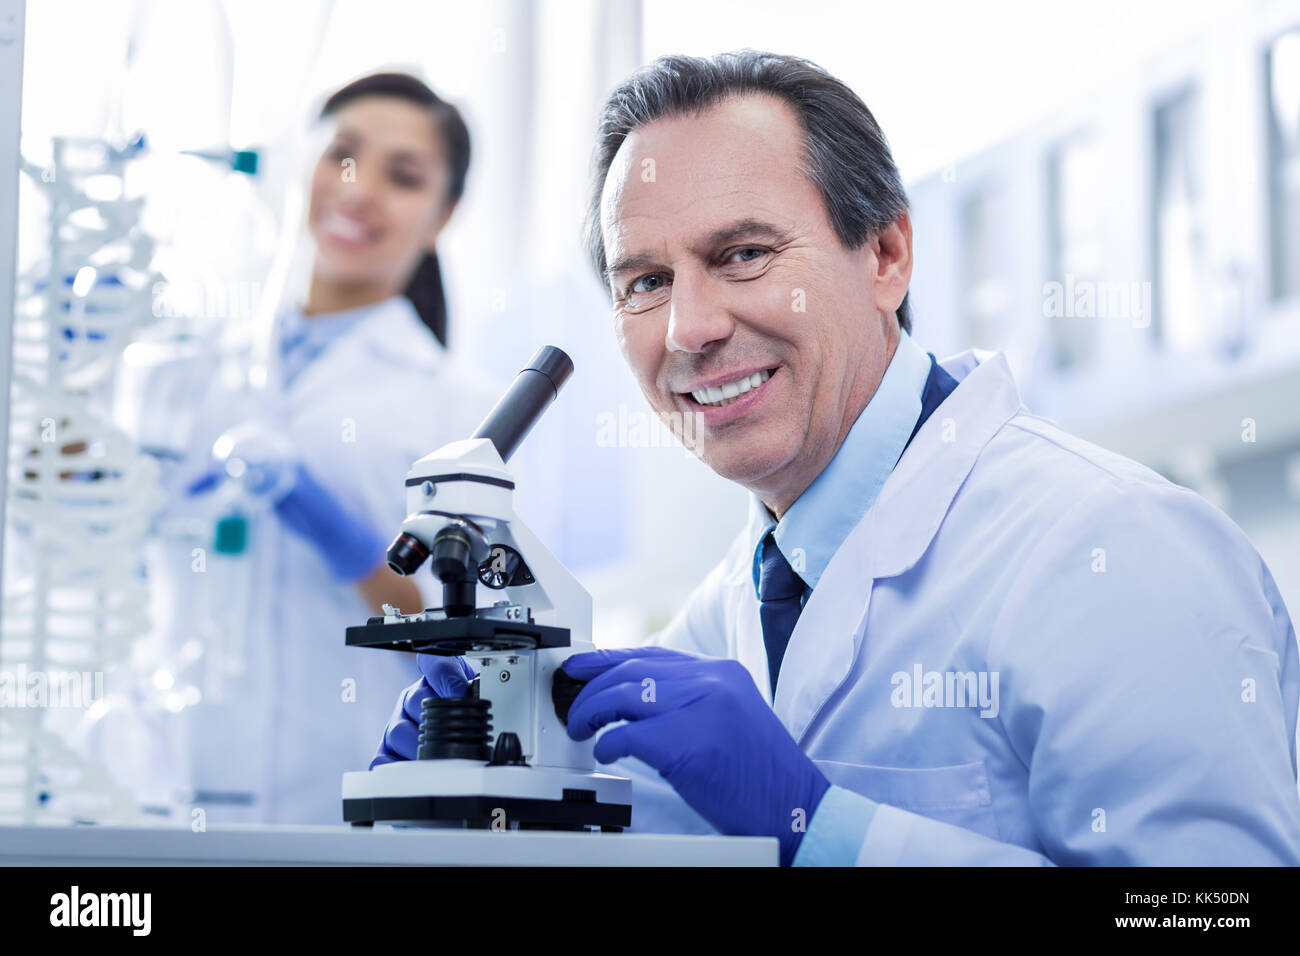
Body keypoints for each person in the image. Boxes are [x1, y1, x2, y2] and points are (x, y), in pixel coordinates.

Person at [373, 52, 1300, 866]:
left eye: (742, 254)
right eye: (646, 282)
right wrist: (503, 789)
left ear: (888, 252)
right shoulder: (730, 606)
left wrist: (824, 827)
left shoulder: (1115, 548)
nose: (690, 328)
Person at [170, 72, 497, 825]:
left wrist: (348, 544)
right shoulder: (188, 367)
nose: (359, 190)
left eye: (404, 176)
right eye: (341, 157)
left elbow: (475, 643)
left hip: (342, 790)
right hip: (176, 776)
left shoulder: (460, 410)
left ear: (442, 216)